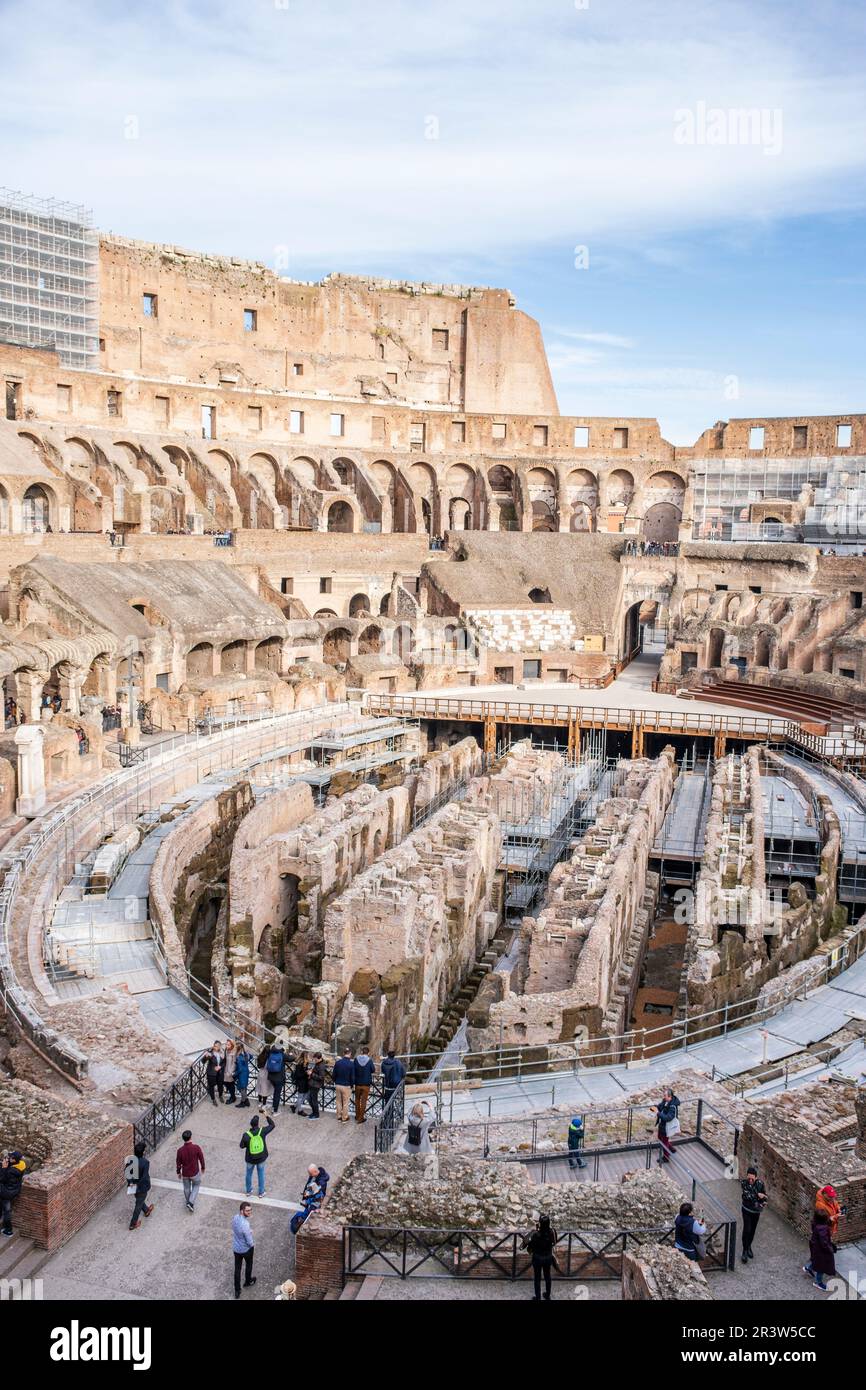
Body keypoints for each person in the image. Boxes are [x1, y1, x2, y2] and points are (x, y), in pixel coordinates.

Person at [522, 1215, 558, 1300]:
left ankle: (537, 1297)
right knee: (547, 1276)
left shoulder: (535, 1234)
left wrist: (536, 1230)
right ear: (549, 1223)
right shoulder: (552, 1232)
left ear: (540, 1223)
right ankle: (547, 1295)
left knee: (537, 1278)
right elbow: (554, 1242)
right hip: (548, 1257)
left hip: (537, 1258)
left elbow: (529, 1246)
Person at [240, 1114, 275, 1198]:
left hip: (250, 1158)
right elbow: (272, 1125)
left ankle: (248, 1191)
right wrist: (266, 1115)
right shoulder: (262, 1131)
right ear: (258, 1124)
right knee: (261, 1174)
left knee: (248, 1174)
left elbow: (241, 1146)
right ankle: (261, 1192)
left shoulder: (246, 1134)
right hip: (261, 1157)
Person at [289, 1164, 330, 1235]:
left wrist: (308, 1200)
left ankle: (296, 1228)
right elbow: (310, 1186)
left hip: (313, 1202)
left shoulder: (321, 1183)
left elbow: (318, 1198)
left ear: (315, 1171)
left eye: (310, 1174)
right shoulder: (314, 1175)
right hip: (310, 1199)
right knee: (303, 1214)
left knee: (305, 1215)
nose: (309, 1175)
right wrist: (306, 1194)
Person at [740, 1166, 767, 1262]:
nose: (750, 1180)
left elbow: (764, 1196)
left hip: (756, 1212)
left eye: (752, 1178)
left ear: (756, 1177)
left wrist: (763, 1200)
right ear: (747, 1176)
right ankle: (744, 1250)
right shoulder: (744, 1183)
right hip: (746, 1210)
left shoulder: (760, 1184)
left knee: (752, 1230)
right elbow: (747, 1196)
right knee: (747, 1229)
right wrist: (758, 1196)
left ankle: (748, 1246)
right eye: (749, 1178)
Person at [804, 1210, 836, 1292]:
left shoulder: (816, 1223)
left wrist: (829, 1221)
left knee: (816, 1260)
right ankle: (818, 1283)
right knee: (821, 1267)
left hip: (815, 1247)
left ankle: (808, 1268)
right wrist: (830, 1249)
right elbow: (824, 1243)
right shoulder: (823, 1229)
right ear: (824, 1220)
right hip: (821, 1250)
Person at [176, 1129, 206, 1214]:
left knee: (186, 1188)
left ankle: (189, 1202)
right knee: (196, 1186)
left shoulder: (180, 1150)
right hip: (195, 1172)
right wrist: (203, 1167)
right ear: (191, 1137)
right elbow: (201, 1158)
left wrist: (178, 1172)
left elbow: (178, 1162)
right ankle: (191, 1202)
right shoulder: (196, 1148)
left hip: (185, 1173)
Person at [232, 1202, 257, 1298]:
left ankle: (237, 1291)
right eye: (247, 1211)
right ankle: (247, 1281)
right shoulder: (245, 1224)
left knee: (237, 1269)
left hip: (236, 1248)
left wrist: (247, 1231)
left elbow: (236, 1229)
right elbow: (249, 1241)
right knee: (249, 1264)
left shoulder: (235, 1218)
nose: (250, 1212)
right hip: (246, 1250)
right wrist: (252, 1244)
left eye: (250, 1210)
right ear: (242, 1211)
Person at [129, 1140, 154, 1230]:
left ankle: (147, 1210)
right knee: (138, 1205)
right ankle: (133, 1224)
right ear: (143, 1152)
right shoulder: (145, 1162)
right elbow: (144, 1177)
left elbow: (127, 1173)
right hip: (141, 1187)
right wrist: (138, 1186)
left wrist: (131, 1182)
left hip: (133, 1186)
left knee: (140, 1200)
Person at [0, 1151, 26, 1237]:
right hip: (15, 1189)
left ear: (14, 1160)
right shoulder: (21, 1164)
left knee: (7, 1210)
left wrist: (4, 1168)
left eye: (11, 1158)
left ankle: (8, 1230)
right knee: (5, 1206)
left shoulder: (10, 1171)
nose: (9, 1158)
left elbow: (2, 1179)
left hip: (7, 1192)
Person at [653, 1088, 679, 1163]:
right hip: (662, 1125)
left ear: (670, 1097)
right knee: (660, 1138)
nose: (663, 1097)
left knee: (664, 1141)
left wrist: (658, 1113)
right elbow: (661, 1106)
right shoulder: (665, 1101)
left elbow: (668, 1118)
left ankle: (666, 1157)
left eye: (665, 1095)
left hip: (667, 1126)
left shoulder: (673, 1106)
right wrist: (655, 1107)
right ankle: (671, 1148)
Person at [332, 1047, 355, 1122]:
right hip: (346, 1086)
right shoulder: (351, 1064)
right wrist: (352, 1085)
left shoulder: (338, 1063)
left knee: (338, 1101)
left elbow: (333, 1075)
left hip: (338, 1084)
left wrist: (336, 1081)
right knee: (345, 1103)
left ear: (343, 1053)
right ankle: (344, 1118)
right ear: (350, 1054)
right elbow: (352, 1077)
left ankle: (338, 1116)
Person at [353, 1047, 374, 1124]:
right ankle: (361, 1118)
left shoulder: (356, 1059)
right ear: (368, 1053)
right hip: (366, 1084)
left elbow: (353, 1069)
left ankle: (357, 1115)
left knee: (357, 1100)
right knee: (364, 1101)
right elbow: (373, 1070)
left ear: (361, 1052)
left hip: (357, 1083)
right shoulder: (369, 1060)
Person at [266, 1043, 287, 1114]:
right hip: (279, 1078)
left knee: (276, 1093)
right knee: (277, 1094)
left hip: (271, 1077)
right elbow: (292, 1058)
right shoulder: (282, 1055)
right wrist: (287, 1053)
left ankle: (273, 1107)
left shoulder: (270, 1053)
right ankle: (275, 1110)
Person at [204, 1041, 225, 1106]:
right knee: (211, 1086)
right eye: (215, 1046)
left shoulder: (222, 1052)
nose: (216, 1047)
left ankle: (220, 1096)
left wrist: (220, 1067)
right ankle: (213, 1099)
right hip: (211, 1072)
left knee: (220, 1085)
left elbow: (224, 1062)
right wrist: (206, 1056)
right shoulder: (210, 1053)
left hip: (220, 1072)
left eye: (217, 1046)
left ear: (220, 1046)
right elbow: (203, 1061)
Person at [307, 1052, 325, 1119]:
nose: (314, 1060)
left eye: (315, 1059)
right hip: (312, 1084)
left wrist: (311, 1074)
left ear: (319, 1058)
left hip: (316, 1085)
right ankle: (314, 1112)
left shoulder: (321, 1066)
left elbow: (321, 1077)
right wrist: (311, 1072)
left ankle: (316, 1114)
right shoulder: (318, 1063)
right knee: (309, 1098)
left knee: (314, 1100)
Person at [291, 1050, 310, 1115]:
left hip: (304, 1082)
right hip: (301, 1082)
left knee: (306, 1095)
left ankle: (294, 1106)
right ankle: (299, 1110)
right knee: (300, 1096)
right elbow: (298, 1074)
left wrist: (307, 1072)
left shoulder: (305, 1063)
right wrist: (306, 1073)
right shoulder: (300, 1064)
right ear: (306, 1056)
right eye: (308, 1056)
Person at [235, 1041, 251, 1108]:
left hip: (241, 1074)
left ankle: (243, 1102)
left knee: (242, 1089)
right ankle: (246, 1101)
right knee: (244, 1088)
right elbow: (251, 1057)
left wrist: (234, 1074)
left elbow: (240, 1069)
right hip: (246, 1073)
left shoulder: (239, 1057)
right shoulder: (245, 1054)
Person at [256, 1043, 271, 1110]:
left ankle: (259, 1102)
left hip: (260, 1073)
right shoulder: (269, 1058)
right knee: (265, 1089)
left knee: (260, 1087)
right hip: (266, 1074)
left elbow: (258, 1066)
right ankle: (264, 1104)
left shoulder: (260, 1056)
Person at [223, 1040, 237, 1105]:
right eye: (226, 1044)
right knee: (226, 1083)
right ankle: (232, 1096)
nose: (227, 1046)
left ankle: (233, 1097)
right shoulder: (226, 1051)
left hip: (230, 1072)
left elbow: (234, 1063)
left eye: (228, 1045)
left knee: (231, 1084)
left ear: (232, 1045)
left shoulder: (234, 1052)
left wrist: (231, 1072)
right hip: (225, 1070)